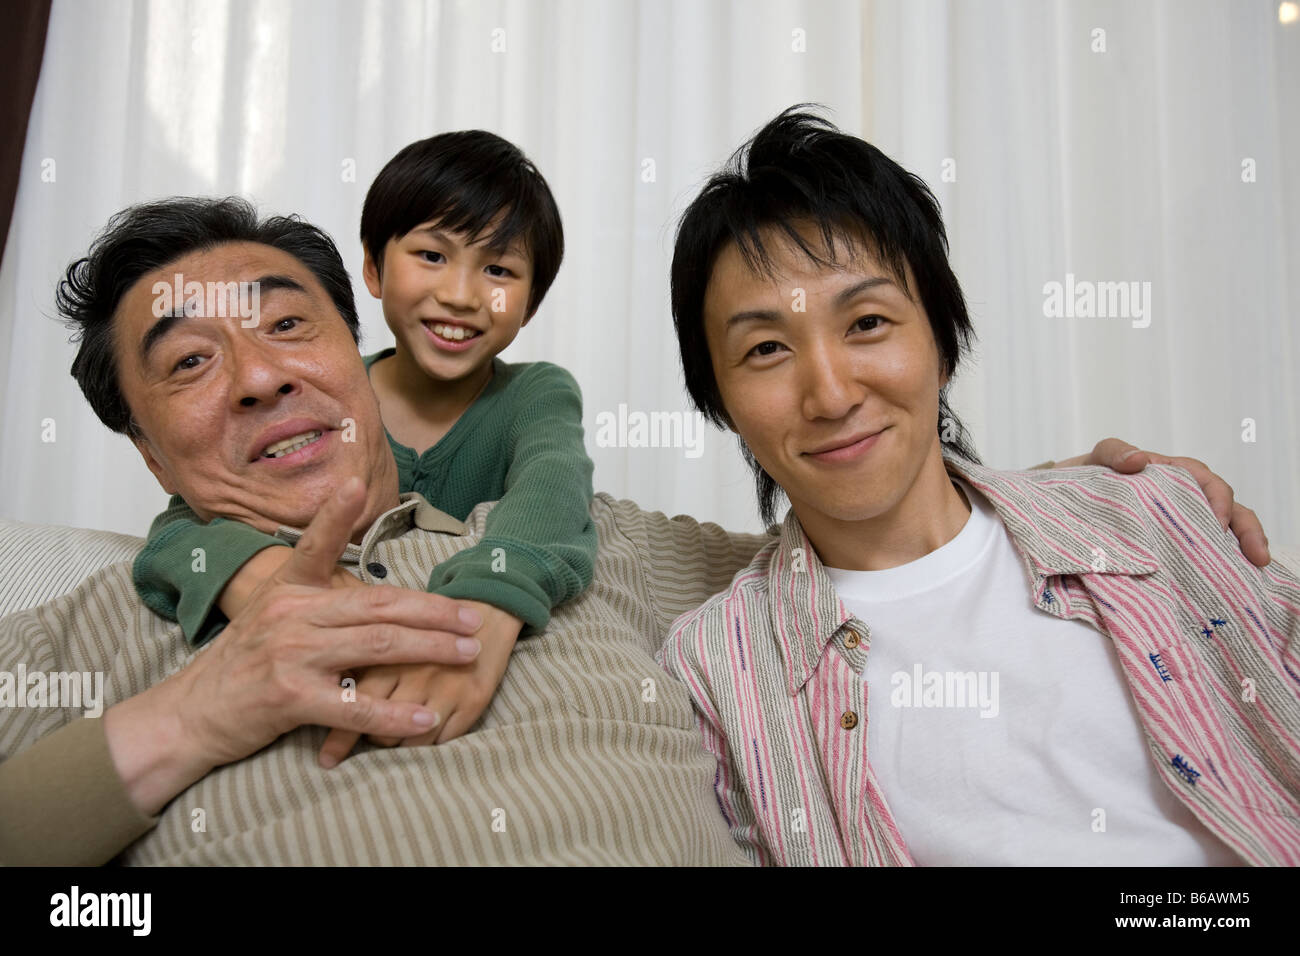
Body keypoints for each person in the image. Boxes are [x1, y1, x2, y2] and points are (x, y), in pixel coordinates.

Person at [0, 197, 1265, 865]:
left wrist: (1086, 491)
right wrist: (203, 708)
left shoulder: (582, 540)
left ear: (361, 347)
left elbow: (864, 522)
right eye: (188, 362)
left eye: (289, 326)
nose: (263, 376)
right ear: (144, 445)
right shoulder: (105, 620)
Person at [658, 107, 1299, 866]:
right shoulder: (717, 667)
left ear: (942, 341)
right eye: (766, 348)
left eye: (866, 323)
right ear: (721, 401)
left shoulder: (1140, 513)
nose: (829, 395)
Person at [130, 132, 596, 762]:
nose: (460, 293)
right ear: (373, 268)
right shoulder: (330, 400)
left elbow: (554, 489)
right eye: (432, 255)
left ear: (529, 305)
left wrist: (491, 602)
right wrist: (249, 573)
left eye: (498, 270)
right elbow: (178, 531)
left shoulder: (537, 393)